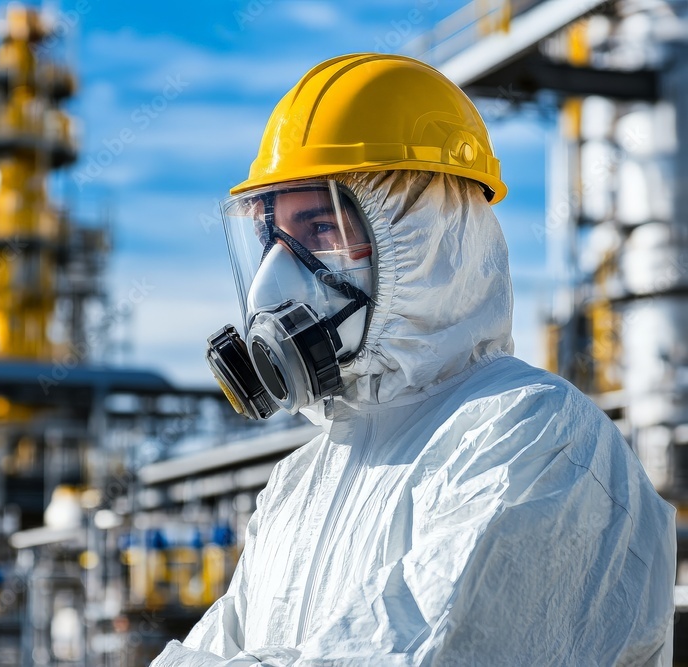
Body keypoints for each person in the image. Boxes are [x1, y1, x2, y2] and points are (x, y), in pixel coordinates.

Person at [152, 53, 676, 666]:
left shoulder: (536, 440)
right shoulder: (296, 486)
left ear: (426, 239)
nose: (275, 278)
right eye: (272, 237)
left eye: (320, 227)